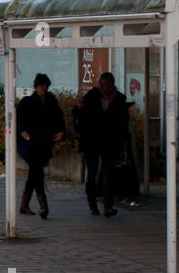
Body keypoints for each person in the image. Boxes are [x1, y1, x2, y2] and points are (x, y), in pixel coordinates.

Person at [75, 71, 130, 218]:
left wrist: (121, 143)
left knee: (108, 174)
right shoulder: (92, 96)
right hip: (91, 141)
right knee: (92, 173)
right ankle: (92, 204)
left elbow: (122, 124)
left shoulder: (118, 99)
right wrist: (79, 108)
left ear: (112, 85)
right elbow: (80, 115)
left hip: (109, 142)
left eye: (105, 85)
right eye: (101, 84)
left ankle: (108, 206)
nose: (103, 87)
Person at [16, 73, 65, 219]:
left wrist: (62, 131)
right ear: (36, 86)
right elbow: (19, 119)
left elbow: (59, 118)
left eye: (46, 85)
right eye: (41, 85)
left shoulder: (51, 101)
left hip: (44, 143)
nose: (44, 88)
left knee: (35, 172)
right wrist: (23, 131)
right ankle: (43, 206)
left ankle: (25, 205)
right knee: (37, 171)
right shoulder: (27, 102)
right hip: (31, 143)